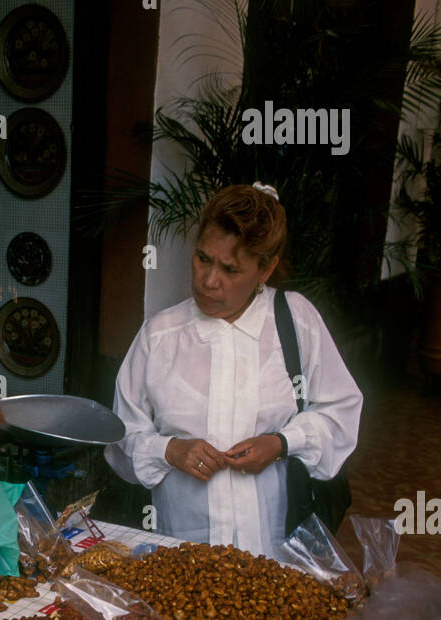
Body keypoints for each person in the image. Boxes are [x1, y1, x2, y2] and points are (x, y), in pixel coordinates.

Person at [105, 183, 363, 556]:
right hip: (181, 550)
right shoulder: (160, 335)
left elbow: (340, 414)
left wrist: (281, 443)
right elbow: (120, 436)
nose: (210, 281)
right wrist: (169, 450)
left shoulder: (295, 322)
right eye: (203, 258)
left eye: (230, 269)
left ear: (266, 269)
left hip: (277, 552)